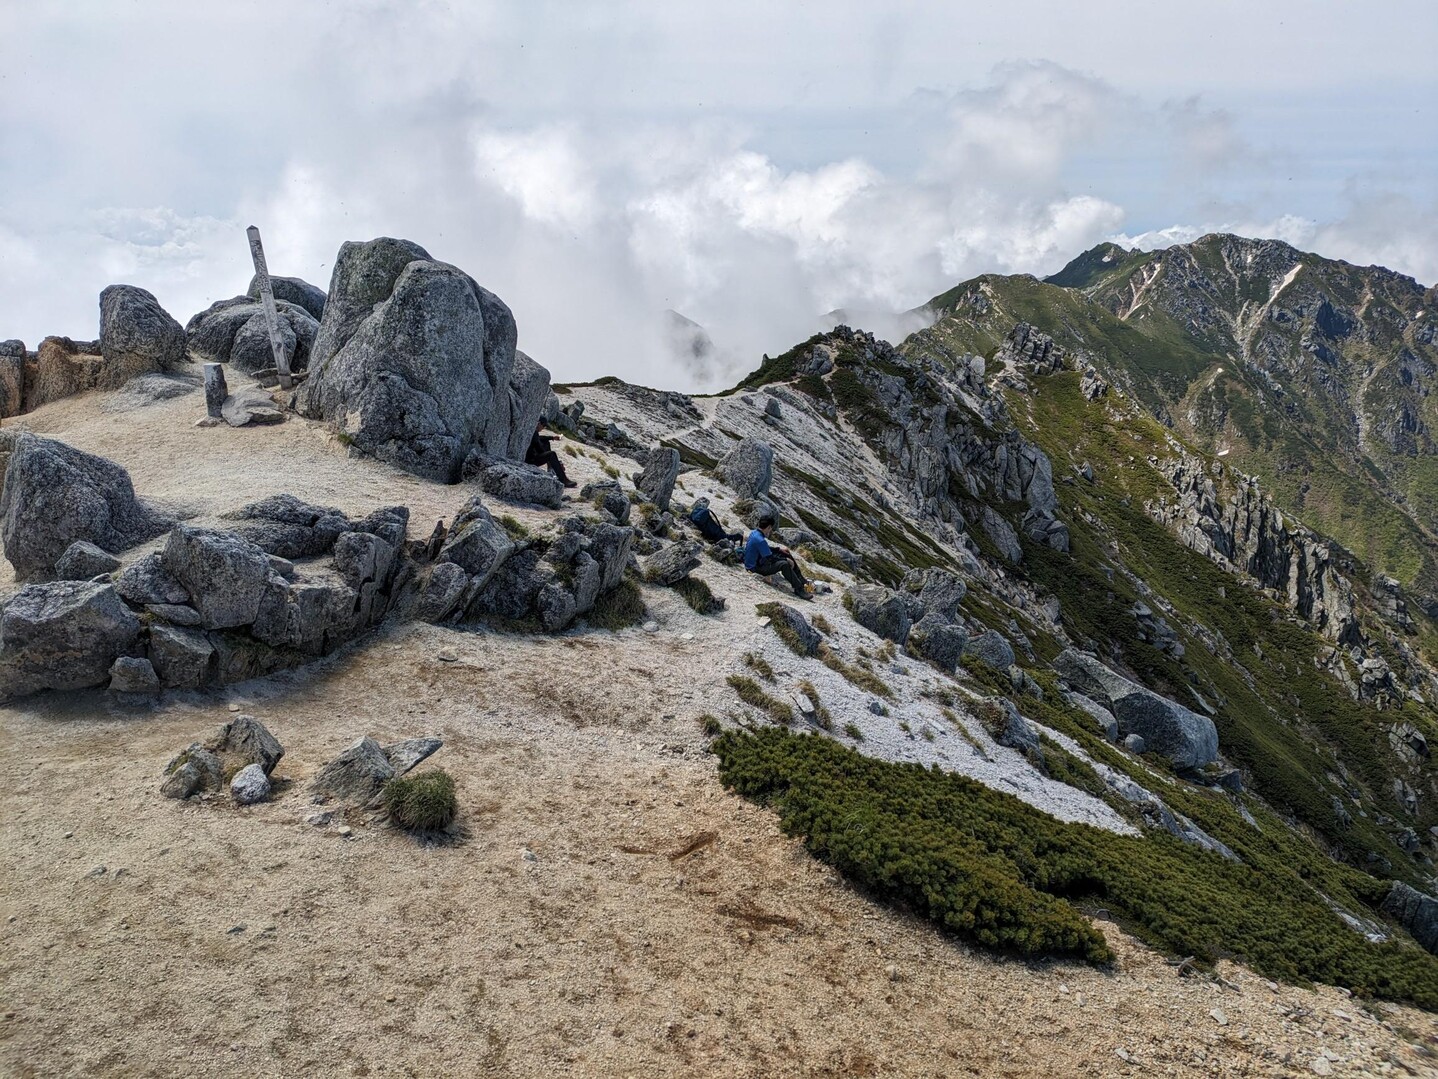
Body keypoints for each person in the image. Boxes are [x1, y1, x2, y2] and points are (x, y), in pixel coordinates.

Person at [743, 512, 812, 599]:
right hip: (754, 568)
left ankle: (801, 579)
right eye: (770, 528)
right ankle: (799, 589)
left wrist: (778, 550)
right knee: (784, 564)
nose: (770, 530)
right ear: (768, 527)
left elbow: (764, 549)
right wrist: (786, 560)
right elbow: (770, 559)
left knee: (785, 551)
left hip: (757, 561)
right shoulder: (760, 540)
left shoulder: (754, 533)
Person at [525, 420, 576, 488]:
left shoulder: (530, 430)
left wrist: (552, 438)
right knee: (551, 454)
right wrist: (554, 461)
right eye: (543, 426)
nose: (543, 428)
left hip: (529, 457)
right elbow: (539, 448)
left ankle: (551, 468)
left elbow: (540, 438)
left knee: (546, 442)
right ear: (539, 423)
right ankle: (563, 479)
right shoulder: (534, 432)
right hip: (530, 461)